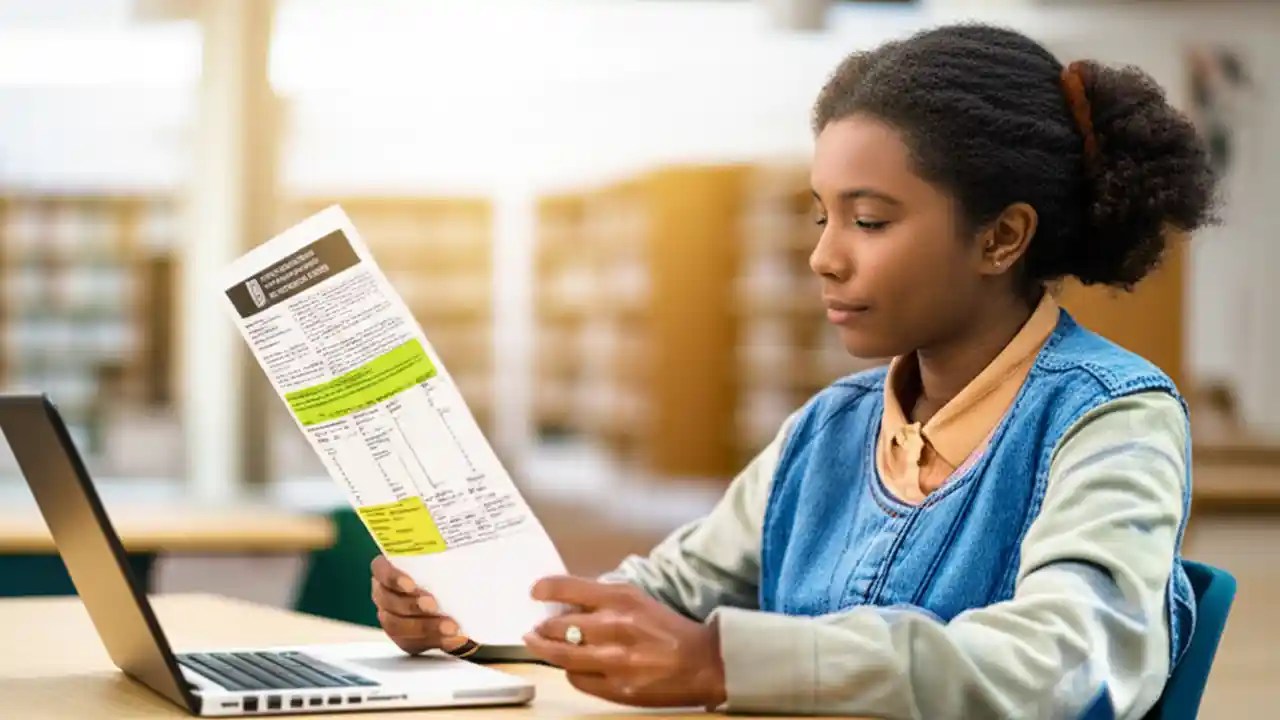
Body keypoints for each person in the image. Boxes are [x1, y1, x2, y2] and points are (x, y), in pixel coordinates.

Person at [370, 23, 1216, 719]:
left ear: (1000, 238)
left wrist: (725, 663)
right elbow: (669, 590)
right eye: (821, 215)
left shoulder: (1113, 418)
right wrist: (481, 617)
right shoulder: (831, 426)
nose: (822, 257)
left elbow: (1069, 666)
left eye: (870, 221)